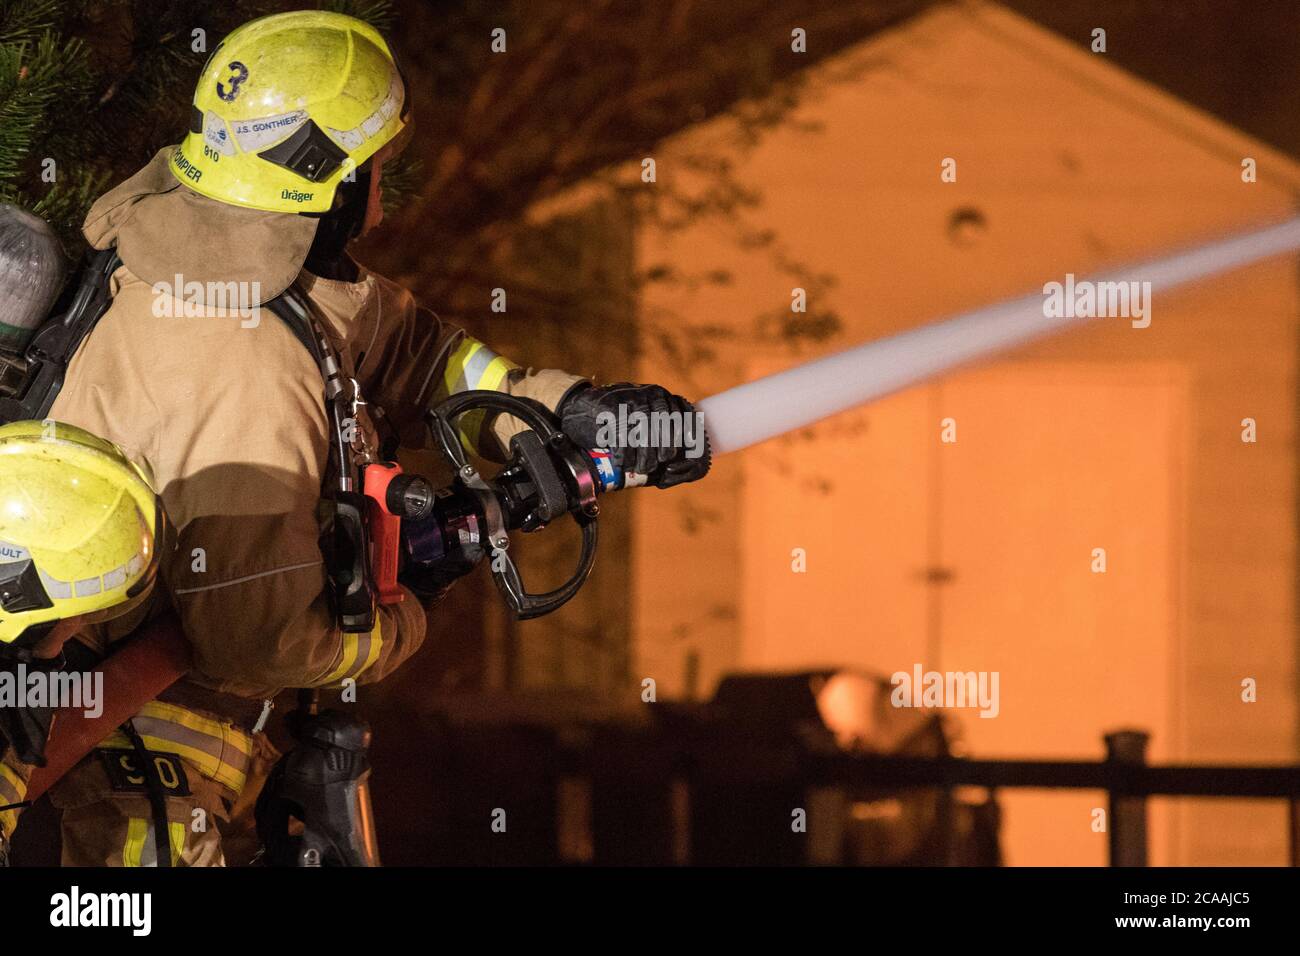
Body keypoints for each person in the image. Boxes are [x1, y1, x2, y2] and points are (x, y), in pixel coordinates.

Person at [0, 10, 706, 866]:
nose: (381, 191)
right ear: (321, 177)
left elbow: (417, 353)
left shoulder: (220, 253)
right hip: (150, 759)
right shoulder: (245, 363)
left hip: (207, 728)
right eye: (375, 166)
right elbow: (254, 638)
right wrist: (402, 605)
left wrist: (570, 411)